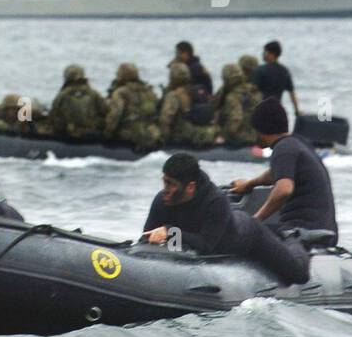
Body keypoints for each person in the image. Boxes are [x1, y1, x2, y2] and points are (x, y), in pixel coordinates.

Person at [139, 153, 309, 284]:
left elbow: (206, 246)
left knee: (299, 275)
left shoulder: (216, 201)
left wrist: (170, 231)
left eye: (171, 184)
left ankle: (292, 238)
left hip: (247, 235)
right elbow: (145, 239)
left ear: (190, 187)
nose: (165, 190)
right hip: (217, 230)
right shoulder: (162, 200)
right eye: (164, 182)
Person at [229, 97, 337, 236]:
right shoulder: (298, 143)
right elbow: (276, 173)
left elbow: (284, 189)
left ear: (261, 130)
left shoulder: (282, 148)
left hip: (302, 231)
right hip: (323, 230)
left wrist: (255, 220)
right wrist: (249, 184)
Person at [159, 62, 221, 148]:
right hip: (196, 130)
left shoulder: (173, 95)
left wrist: (164, 140)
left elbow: (165, 119)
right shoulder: (196, 91)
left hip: (180, 135)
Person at [104, 62, 162, 152]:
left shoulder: (120, 92)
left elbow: (115, 114)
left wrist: (107, 133)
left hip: (131, 133)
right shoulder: (149, 92)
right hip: (152, 133)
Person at [50, 64, 107, 140]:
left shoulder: (62, 95)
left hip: (69, 134)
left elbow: (54, 115)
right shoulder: (94, 93)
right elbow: (105, 110)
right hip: (91, 134)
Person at [251, 40, 301, 118]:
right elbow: (292, 93)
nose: (263, 54)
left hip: (262, 109)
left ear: (271, 54)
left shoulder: (260, 70)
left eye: (265, 52)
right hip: (278, 110)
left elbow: (252, 90)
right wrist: (296, 111)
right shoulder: (284, 71)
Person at [213, 62, 259, 146]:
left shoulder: (231, 97)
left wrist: (223, 136)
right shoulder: (251, 91)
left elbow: (236, 118)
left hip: (240, 136)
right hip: (255, 134)